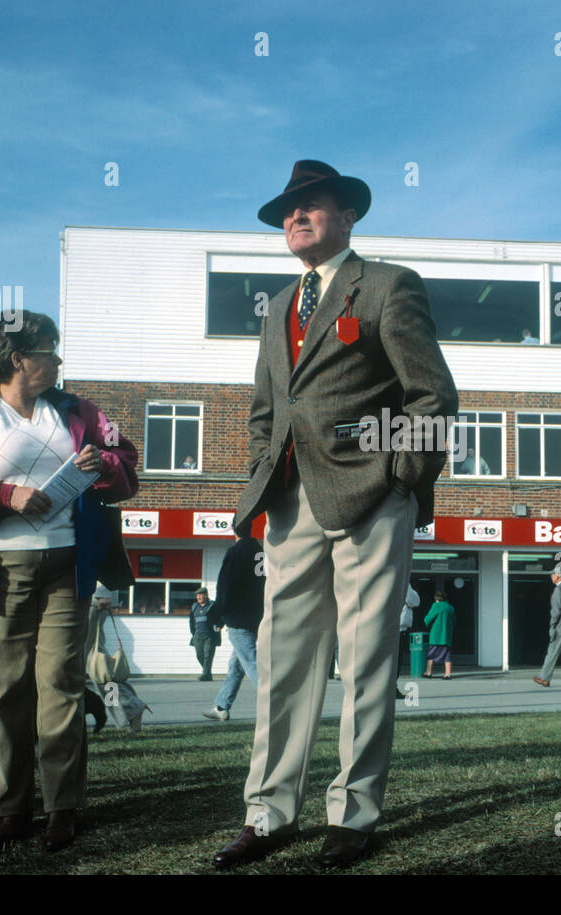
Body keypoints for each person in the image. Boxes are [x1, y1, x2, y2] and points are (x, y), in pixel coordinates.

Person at [211, 160, 458, 871]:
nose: (295, 218)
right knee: (284, 661)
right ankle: (267, 814)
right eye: (287, 212)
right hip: (288, 507)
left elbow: (432, 398)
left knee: (366, 661)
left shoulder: (387, 285)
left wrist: (398, 478)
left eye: (310, 207)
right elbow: (266, 411)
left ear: (347, 216)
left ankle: (352, 814)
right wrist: (263, 475)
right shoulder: (279, 305)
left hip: (370, 502)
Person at [0, 310, 139, 853]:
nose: (58, 359)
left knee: (61, 687)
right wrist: (4, 494)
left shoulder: (79, 410)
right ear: (18, 358)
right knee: (4, 693)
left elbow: (127, 466)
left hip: (68, 569)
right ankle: (9, 809)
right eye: (49, 349)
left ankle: (62, 809)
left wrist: (104, 464)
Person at [203, 534, 265, 721]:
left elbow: (225, 587)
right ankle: (222, 706)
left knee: (252, 663)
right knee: (236, 666)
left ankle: (275, 703)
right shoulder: (259, 552)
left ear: (234, 531)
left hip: (238, 618)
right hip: (255, 616)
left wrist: (216, 615)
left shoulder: (235, 552)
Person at [84, 585, 149, 735]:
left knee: (100, 671)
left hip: (91, 602)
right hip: (90, 601)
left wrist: (103, 594)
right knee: (99, 670)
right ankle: (129, 710)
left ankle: (132, 707)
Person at [394, 582, 419, 699]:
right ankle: (391, 689)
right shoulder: (403, 583)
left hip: (390, 627)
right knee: (396, 661)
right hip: (397, 628)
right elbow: (415, 601)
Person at [422, 591, 455, 679]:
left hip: (436, 635)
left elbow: (429, 618)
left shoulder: (436, 605)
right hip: (447, 635)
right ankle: (447, 674)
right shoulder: (450, 608)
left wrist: (425, 623)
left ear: (437, 599)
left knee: (431, 653)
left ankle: (428, 672)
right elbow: (454, 621)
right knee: (447, 654)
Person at [188, 587, 217, 680]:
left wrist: (220, 625)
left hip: (209, 635)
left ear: (206, 595)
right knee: (199, 655)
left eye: (201, 595)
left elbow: (220, 616)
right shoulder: (194, 606)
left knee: (208, 655)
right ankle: (208, 674)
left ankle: (205, 674)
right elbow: (191, 621)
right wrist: (193, 633)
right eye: (197, 595)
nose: (199, 597)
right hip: (197, 635)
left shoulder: (213, 605)